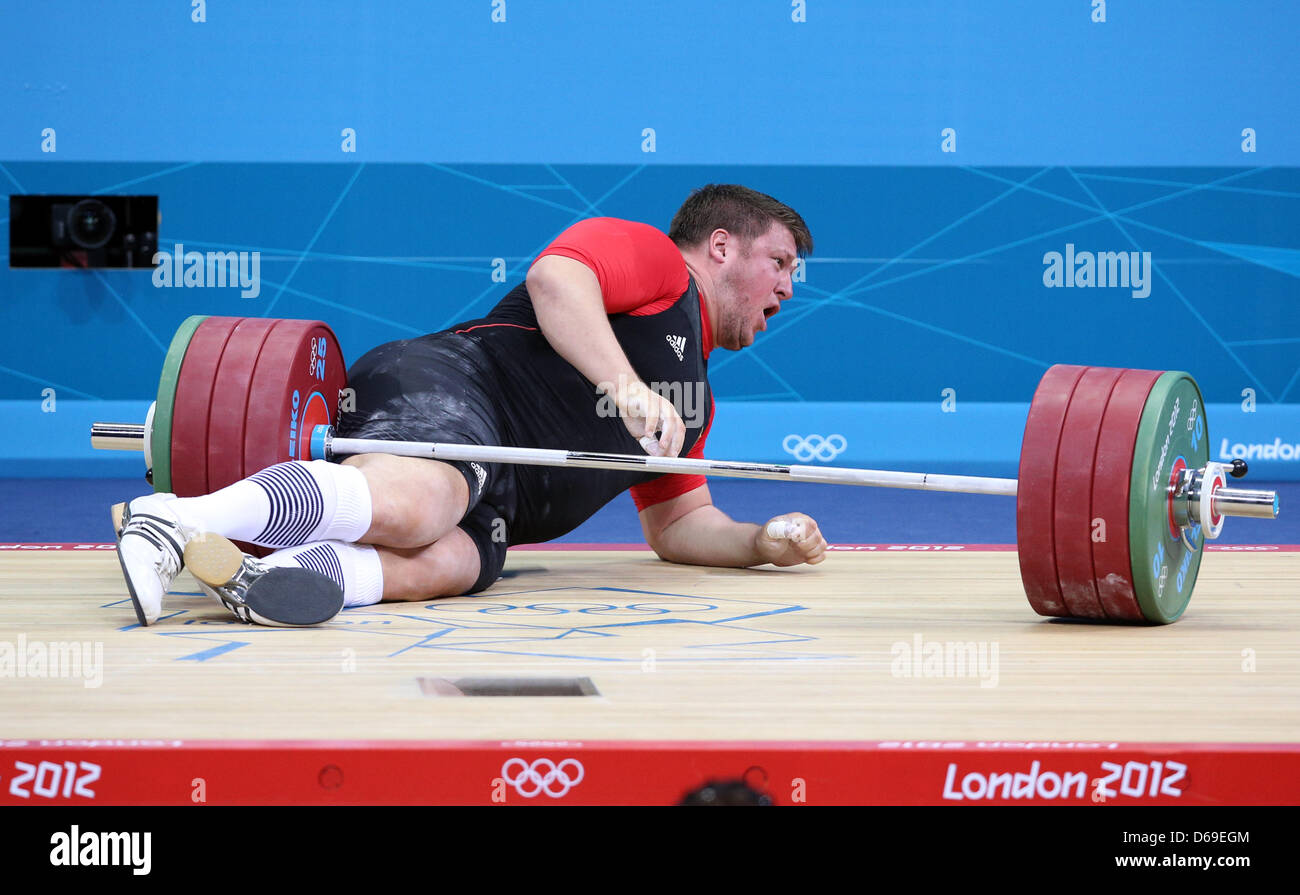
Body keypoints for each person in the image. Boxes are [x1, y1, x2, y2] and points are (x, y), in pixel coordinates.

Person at [114, 184, 828, 627]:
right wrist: (625, 387)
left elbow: (681, 526)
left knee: (451, 562)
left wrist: (760, 543)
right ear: (723, 246)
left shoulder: (693, 404)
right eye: (782, 263)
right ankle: (176, 522)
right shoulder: (657, 262)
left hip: (494, 501)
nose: (789, 289)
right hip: (453, 384)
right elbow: (555, 277)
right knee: (424, 503)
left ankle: (264, 579)